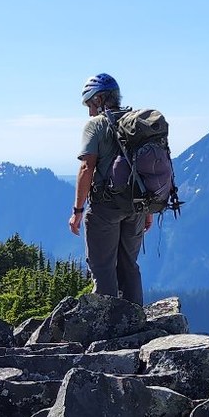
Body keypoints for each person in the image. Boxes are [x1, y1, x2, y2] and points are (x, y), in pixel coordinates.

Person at [67, 72, 152, 306]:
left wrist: (77, 210)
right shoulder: (137, 123)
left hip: (105, 208)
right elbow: (147, 168)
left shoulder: (95, 125)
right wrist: (149, 209)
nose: (89, 110)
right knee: (129, 265)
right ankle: (135, 319)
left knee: (103, 267)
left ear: (100, 98)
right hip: (136, 205)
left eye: (89, 103)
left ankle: (108, 327)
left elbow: (86, 167)